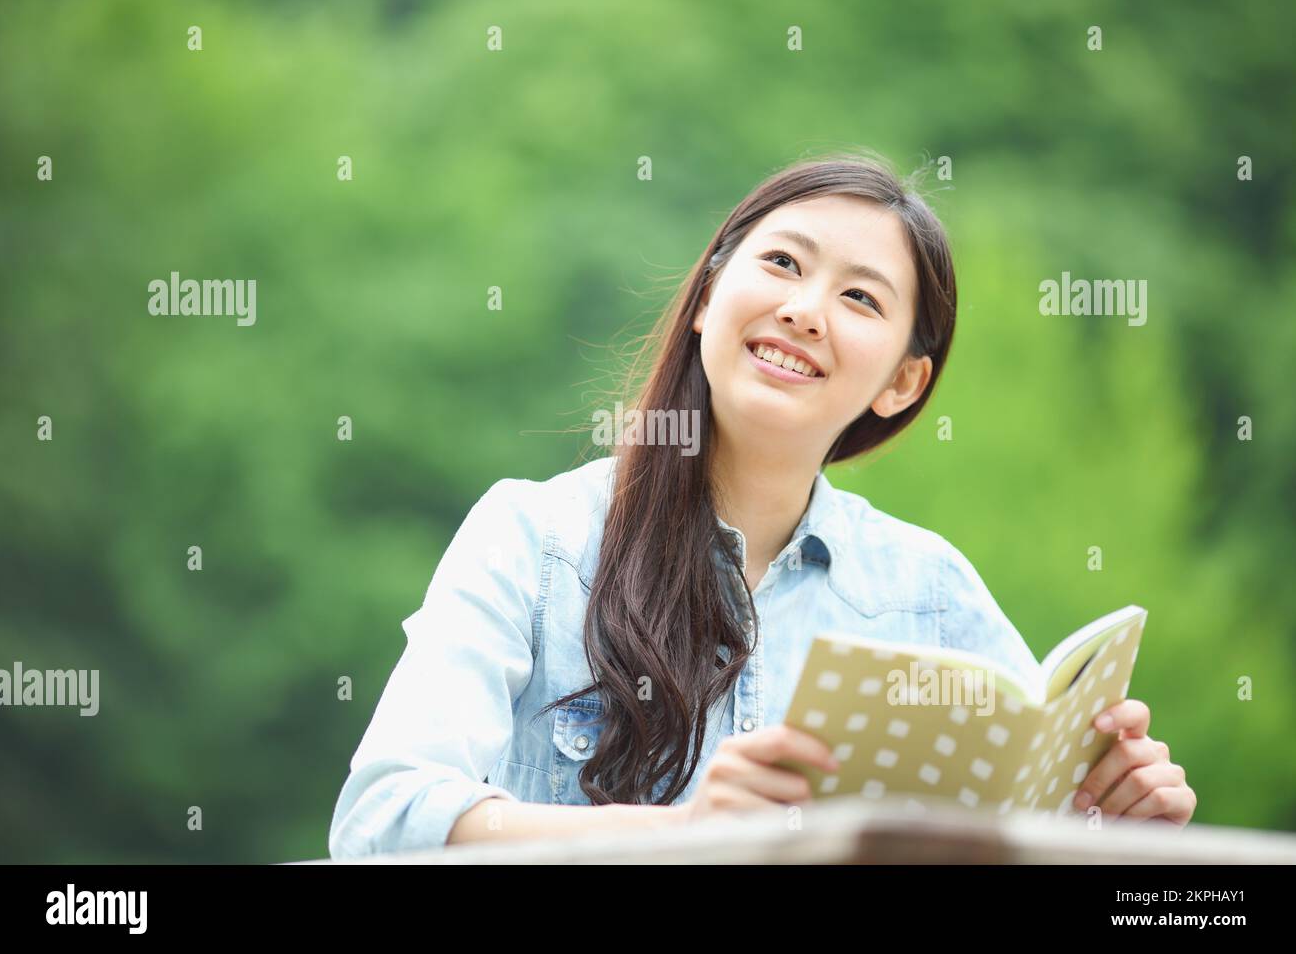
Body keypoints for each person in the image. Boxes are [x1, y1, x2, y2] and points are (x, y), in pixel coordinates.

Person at [328, 151, 1195, 857]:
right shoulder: (534, 539)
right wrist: (683, 839)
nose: (804, 310)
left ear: (902, 382)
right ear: (708, 297)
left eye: (860, 297)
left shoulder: (931, 592)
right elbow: (382, 818)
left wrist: (1110, 836)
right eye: (782, 262)